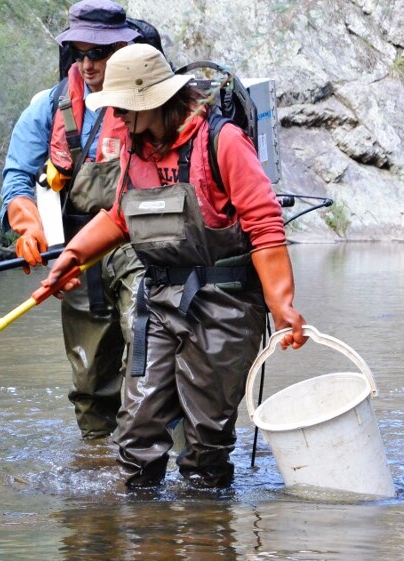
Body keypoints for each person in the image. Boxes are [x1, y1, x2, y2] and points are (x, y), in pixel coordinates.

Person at [42, 43, 308, 489]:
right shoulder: (134, 148)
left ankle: (207, 522)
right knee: (136, 429)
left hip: (224, 303)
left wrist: (282, 306)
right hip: (159, 299)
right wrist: (72, 256)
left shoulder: (222, 141)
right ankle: (142, 523)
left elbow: (264, 224)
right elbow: (120, 217)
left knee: (206, 439)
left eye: (123, 106)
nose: (116, 116)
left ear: (154, 100)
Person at [0, 0, 151, 440]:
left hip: (142, 246)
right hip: (79, 252)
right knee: (89, 379)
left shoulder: (153, 101)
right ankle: (97, 460)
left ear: (123, 48)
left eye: (99, 53)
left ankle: (158, 462)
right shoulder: (49, 106)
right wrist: (27, 224)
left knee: (149, 354)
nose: (88, 64)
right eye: (80, 53)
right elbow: (18, 174)